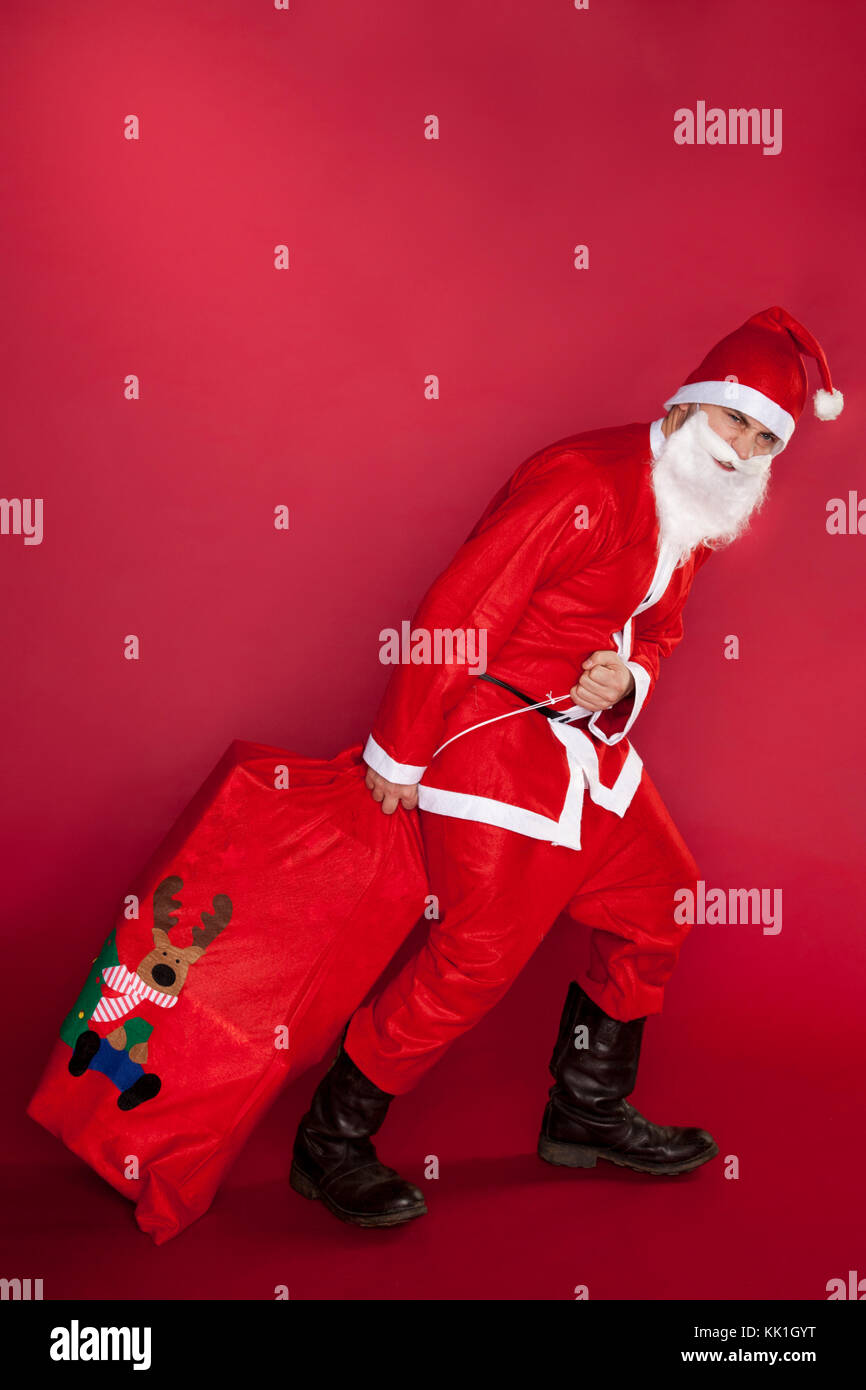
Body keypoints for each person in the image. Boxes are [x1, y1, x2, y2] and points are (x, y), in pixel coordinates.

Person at [290, 306, 843, 1228]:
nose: (744, 449)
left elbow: (658, 634)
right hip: (486, 735)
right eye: (736, 419)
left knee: (659, 894)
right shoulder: (584, 480)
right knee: (475, 957)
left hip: (584, 740)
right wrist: (402, 747)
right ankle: (331, 1140)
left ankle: (583, 1111)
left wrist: (628, 677)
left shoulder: (691, 505)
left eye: (764, 437)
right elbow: (458, 606)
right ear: (690, 405)